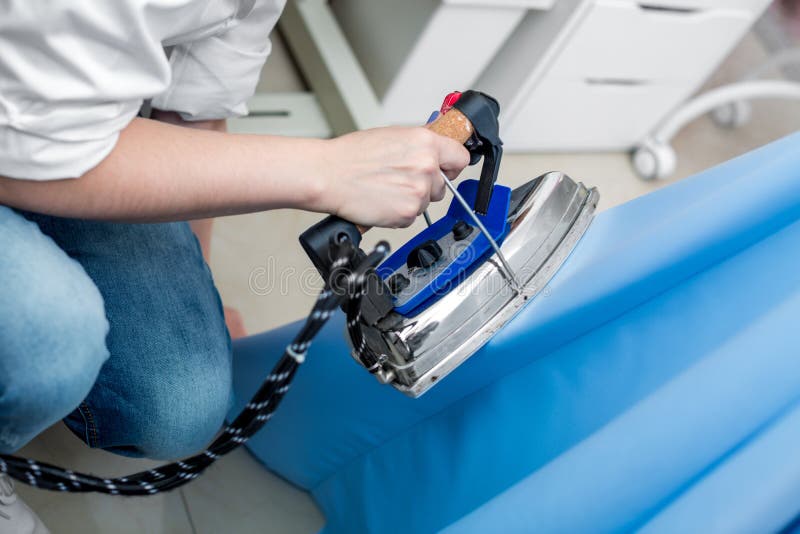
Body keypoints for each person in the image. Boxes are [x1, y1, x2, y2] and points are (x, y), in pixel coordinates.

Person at [0, 1, 470, 531]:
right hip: (24, 139)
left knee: (178, 404)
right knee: (49, 334)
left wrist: (196, 286)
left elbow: (196, 105)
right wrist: (327, 169)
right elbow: (23, 156)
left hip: (48, 112)